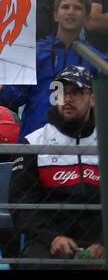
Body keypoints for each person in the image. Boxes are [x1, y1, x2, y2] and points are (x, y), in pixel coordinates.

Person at [10, 65, 102, 266]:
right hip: (47, 241)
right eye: (61, 92)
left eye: (76, 92)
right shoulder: (33, 143)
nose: (67, 98)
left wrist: (103, 241)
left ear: (93, 99)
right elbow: (21, 204)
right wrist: (52, 238)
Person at [0, 0, 98, 139]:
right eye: (65, 7)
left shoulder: (97, 60)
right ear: (55, 14)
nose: (71, 12)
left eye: (77, 8)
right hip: (34, 138)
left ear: (87, 18)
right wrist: (0, 89)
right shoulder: (35, 53)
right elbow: (15, 98)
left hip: (78, 142)